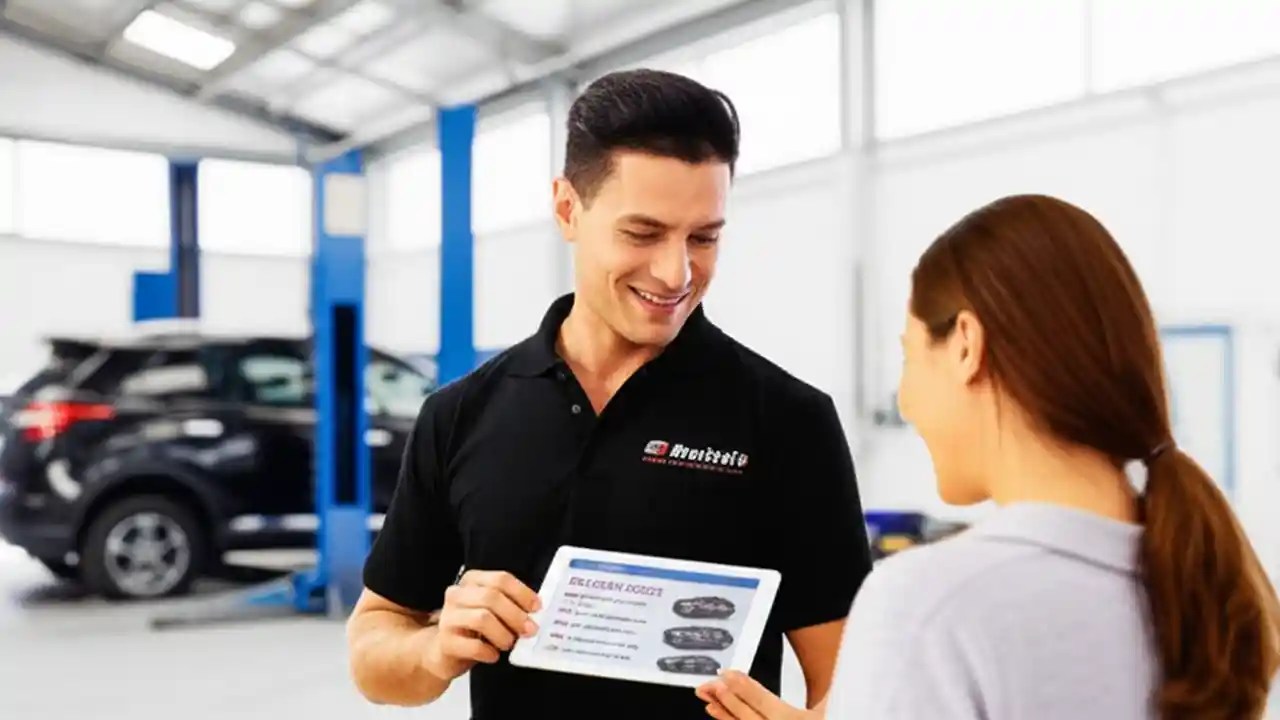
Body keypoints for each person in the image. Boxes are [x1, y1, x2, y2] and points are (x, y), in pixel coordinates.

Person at [345, 69, 873, 719]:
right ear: (568, 208)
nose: (676, 272)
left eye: (704, 237)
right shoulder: (460, 415)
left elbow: (856, 688)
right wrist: (432, 651)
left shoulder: (788, 422)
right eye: (643, 233)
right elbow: (375, 649)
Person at [698, 194, 1280, 719]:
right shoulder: (1208, 590)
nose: (906, 398)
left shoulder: (929, 605)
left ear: (966, 346)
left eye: (910, 356)